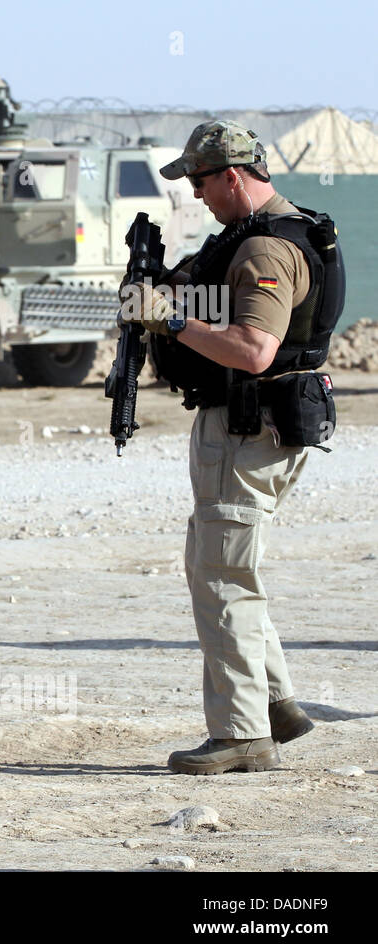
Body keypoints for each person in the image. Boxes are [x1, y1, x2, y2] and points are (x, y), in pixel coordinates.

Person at [120, 120, 344, 774]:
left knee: (221, 576)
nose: (197, 195)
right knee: (223, 568)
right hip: (250, 430)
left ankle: (242, 734)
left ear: (234, 177)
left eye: (201, 182)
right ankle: (276, 705)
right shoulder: (260, 235)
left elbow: (253, 350)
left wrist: (167, 317)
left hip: (250, 431)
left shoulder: (269, 250)